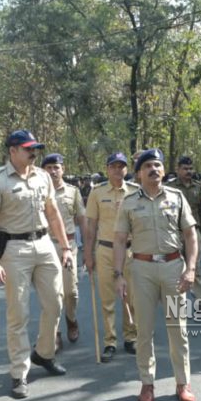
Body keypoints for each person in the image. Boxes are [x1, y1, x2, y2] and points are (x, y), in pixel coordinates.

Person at [0, 130, 73, 399]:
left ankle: (44, 353)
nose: (33, 153)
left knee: (55, 303)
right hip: (14, 248)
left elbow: (52, 213)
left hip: (44, 244)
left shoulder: (42, 176)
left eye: (35, 149)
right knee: (18, 313)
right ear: (12, 151)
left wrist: (65, 246)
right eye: (28, 149)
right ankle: (19, 372)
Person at [113, 149, 199, 401]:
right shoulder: (129, 202)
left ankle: (182, 383)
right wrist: (118, 275)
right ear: (139, 173)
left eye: (157, 165)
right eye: (148, 166)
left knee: (178, 329)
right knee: (144, 330)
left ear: (163, 170)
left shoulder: (177, 197)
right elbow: (119, 240)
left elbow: (190, 235)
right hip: (142, 270)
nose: (154, 169)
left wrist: (191, 269)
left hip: (173, 269)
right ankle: (147, 383)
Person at [84, 152, 139, 362]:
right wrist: (88, 254)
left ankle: (131, 337)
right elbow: (91, 226)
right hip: (105, 250)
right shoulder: (97, 192)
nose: (117, 170)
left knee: (130, 297)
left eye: (121, 166)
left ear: (127, 169)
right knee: (107, 300)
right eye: (113, 166)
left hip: (130, 251)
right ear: (107, 169)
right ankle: (110, 341)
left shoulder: (135, 191)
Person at [41, 154, 85, 348]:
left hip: (68, 245)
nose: (53, 171)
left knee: (70, 291)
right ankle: (55, 332)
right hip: (45, 244)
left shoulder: (73, 192)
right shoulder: (38, 191)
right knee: (52, 292)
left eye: (56, 167)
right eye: (48, 168)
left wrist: (87, 248)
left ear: (63, 169)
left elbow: (82, 219)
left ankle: (71, 319)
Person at [167, 155, 201, 299]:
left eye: (190, 168)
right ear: (178, 169)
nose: (188, 171)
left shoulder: (198, 186)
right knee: (175, 267)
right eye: (185, 169)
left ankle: (200, 300)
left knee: (195, 266)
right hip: (175, 232)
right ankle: (176, 300)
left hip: (194, 231)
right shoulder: (169, 187)